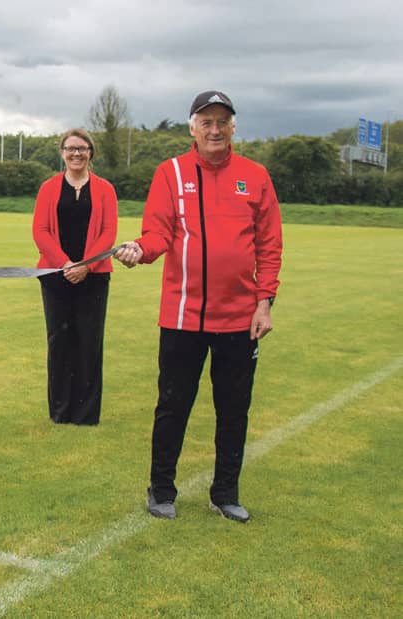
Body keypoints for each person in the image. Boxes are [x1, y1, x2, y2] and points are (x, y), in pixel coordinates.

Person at [114, 90, 282, 523]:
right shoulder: (170, 172)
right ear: (192, 127)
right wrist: (139, 249)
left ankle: (225, 492)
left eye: (222, 121)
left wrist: (264, 303)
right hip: (183, 316)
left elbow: (269, 245)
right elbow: (158, 233)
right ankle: (162, 489)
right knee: (172, 405)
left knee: (233, 410)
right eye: (206, 121)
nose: (214, 129)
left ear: (233, 127)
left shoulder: (255, 176)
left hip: (240, 319)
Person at [32, 128, 118, 425]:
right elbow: (40, 231)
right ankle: (60, 411)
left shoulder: (105, 189)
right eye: (70, 148)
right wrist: (66, 263)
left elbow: (108, 232)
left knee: (89, 342)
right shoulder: (48, 188)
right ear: (62, 152)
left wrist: (86, 265)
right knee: (59, 342)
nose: (76, 153)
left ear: (90, 152)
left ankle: (86, 413)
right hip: (56, 276)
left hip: (93, 278)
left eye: (82, 148)